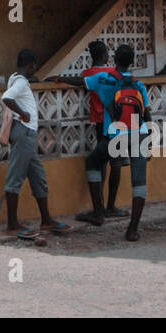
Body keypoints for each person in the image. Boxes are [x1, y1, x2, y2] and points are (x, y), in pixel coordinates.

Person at [77, 45, 151, 241]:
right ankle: (132, 230)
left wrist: (57, 79)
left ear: (114, 60)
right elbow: (147, 115)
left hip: (117, 134)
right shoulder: (139, 84)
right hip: (139, 133)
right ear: (132, 62)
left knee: (93, 162)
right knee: (139, 182)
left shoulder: (105, 79)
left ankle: (98, 213)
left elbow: (79, 81)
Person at [48, 40, 127, 221]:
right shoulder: (112, 73)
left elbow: (78, 81)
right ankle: (110, 206)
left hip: (101, 122)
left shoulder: (88, 73)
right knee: (115, 163)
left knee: (101, 163)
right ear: (105, 55)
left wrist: (59, 78)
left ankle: (99, 207)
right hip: (118, 123)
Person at [1, 49, 70, 238]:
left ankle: (46, 220)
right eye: (35, 66)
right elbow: (6, 97)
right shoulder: (21, 83)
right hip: (24, 133)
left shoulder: (17, 78)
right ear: (31, 65)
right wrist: (23, 113)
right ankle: (12, 224)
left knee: (38, 176)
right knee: (15, 178)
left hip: (27, 134)